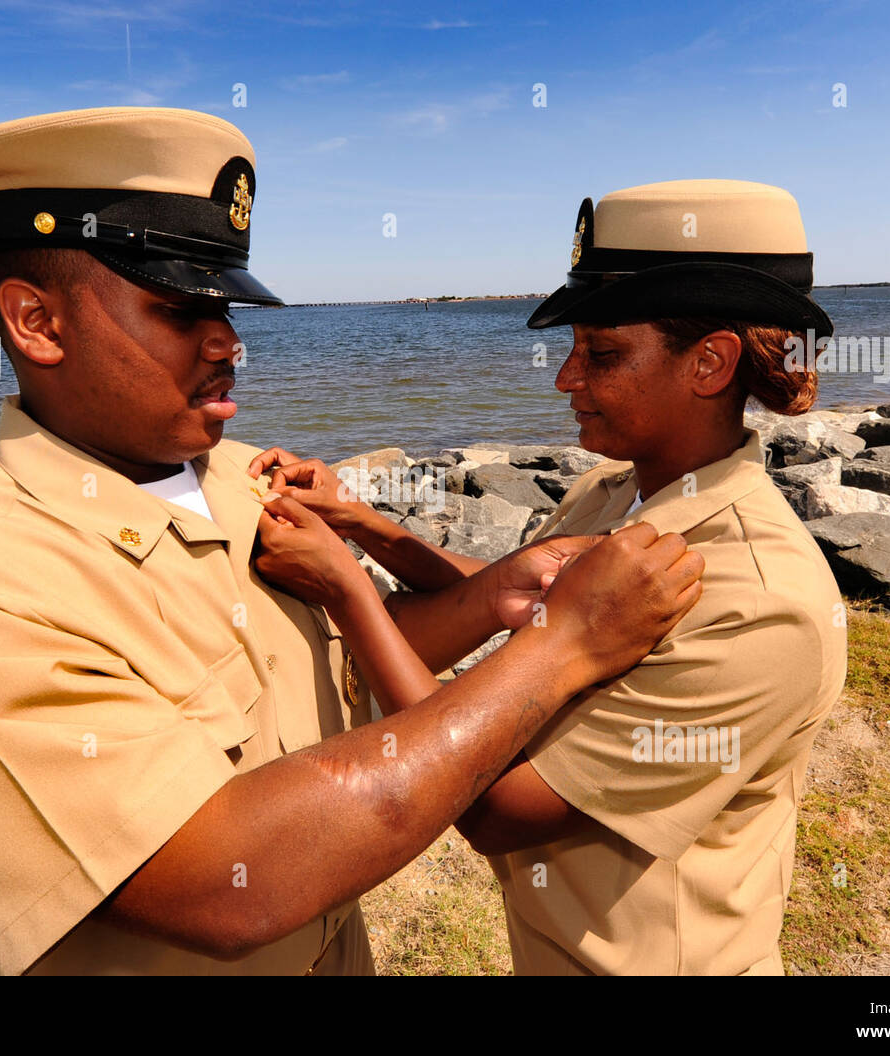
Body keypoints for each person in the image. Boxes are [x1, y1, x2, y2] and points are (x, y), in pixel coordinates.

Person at [0, 108, 705, 976]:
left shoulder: (240, 477)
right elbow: (225, 884)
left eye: (227, 306)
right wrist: (559, 651)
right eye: (179, 309)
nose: (229, 341)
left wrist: (489, 596)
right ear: (37, 323)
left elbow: (335, 677)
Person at [260, 179, 848, 975]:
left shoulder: (759, 604)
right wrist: (363, 526)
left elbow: (496, 809)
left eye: (602, 354)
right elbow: (517, 593)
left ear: (710, 363)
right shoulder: (615, 487)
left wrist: (348, 592)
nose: (567, 379)